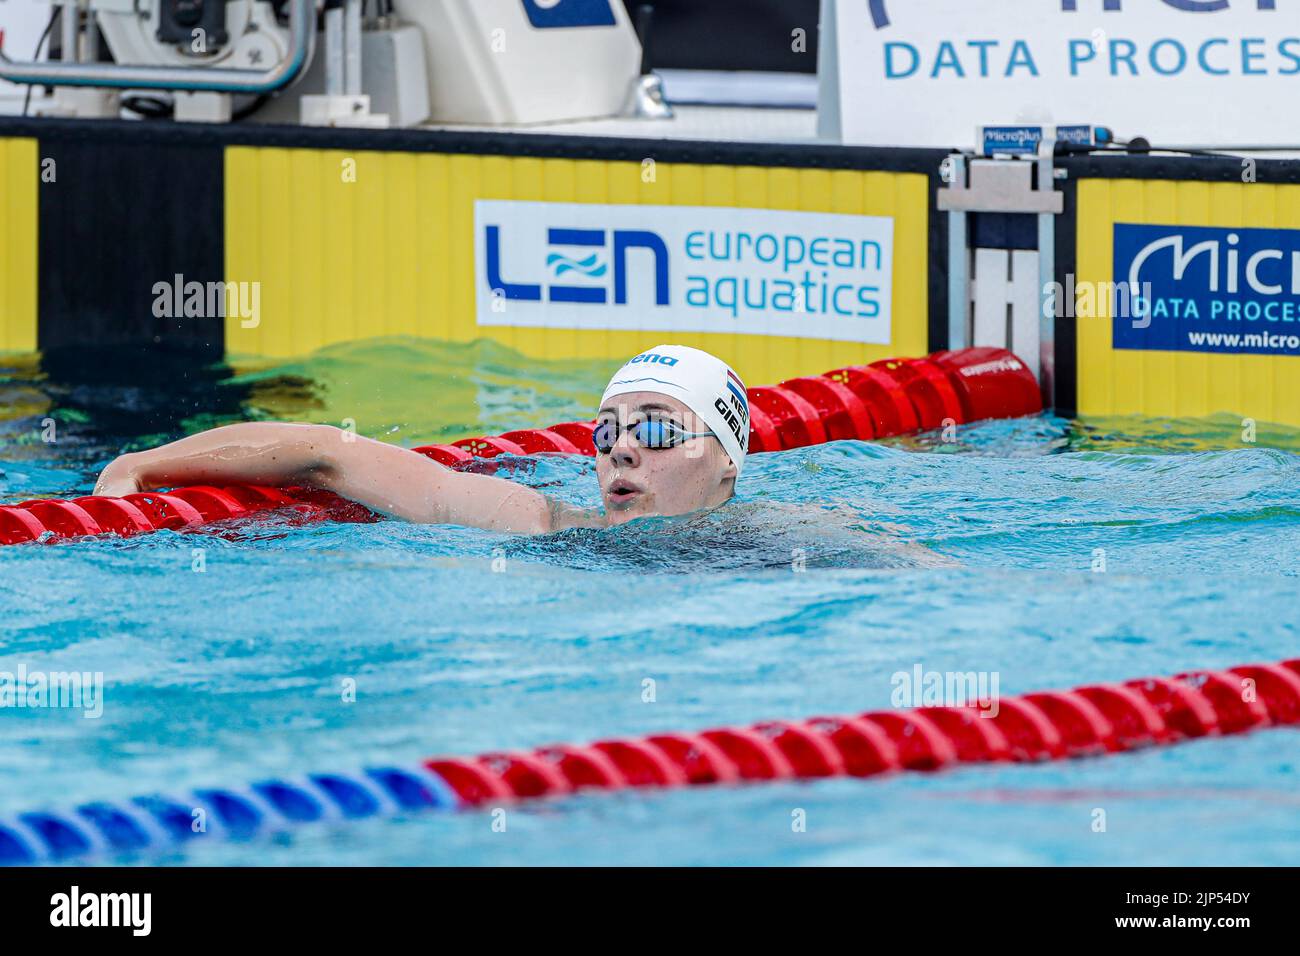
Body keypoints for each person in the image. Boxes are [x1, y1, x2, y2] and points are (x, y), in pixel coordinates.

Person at [93, 344, 750, 536]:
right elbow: (331, 454)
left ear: (726, 463)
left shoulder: (788, 550)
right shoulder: (539, 523)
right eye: (607, 430)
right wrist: (146, 467)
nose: (622, 450)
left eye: (659, 427)